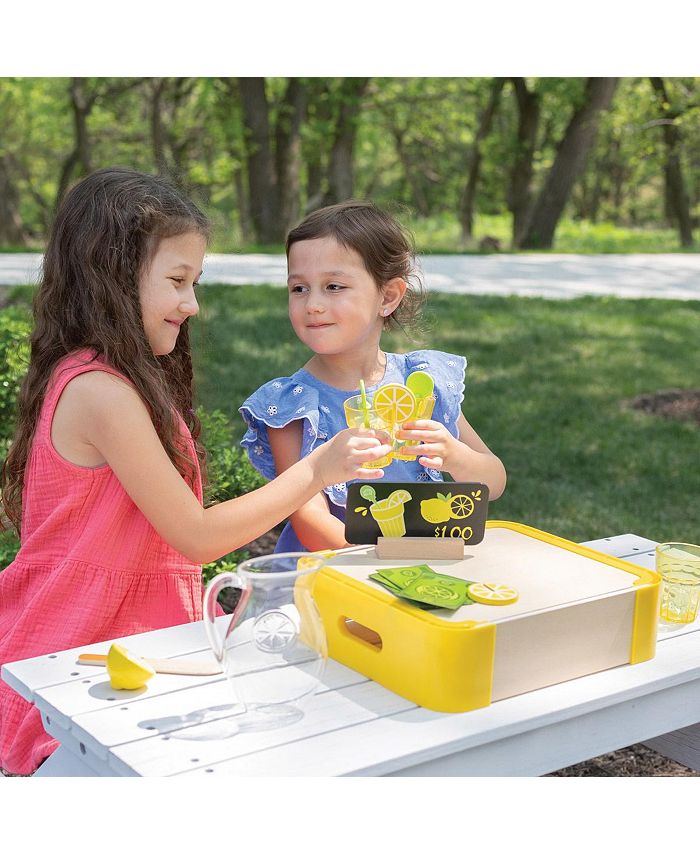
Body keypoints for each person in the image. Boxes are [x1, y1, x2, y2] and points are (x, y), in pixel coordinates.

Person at [0, 170, 390, 775]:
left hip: (123, 639)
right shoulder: (100, 390)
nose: (192, 303)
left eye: (195, 282)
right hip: (77, 646)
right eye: (178, 281)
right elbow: (198, 536)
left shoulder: (110, 376)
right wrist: (318, 467)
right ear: (111, 276)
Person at [240, 201, 507, 554]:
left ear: (388, 296)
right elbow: (310, 522)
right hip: (334, 579)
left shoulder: (421, 384)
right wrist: (391, 564)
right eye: (299, 288)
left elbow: (494, 481)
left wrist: (454, 454)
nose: (312, 304)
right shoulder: (292, 405)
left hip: (424, 567)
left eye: (333, 286)